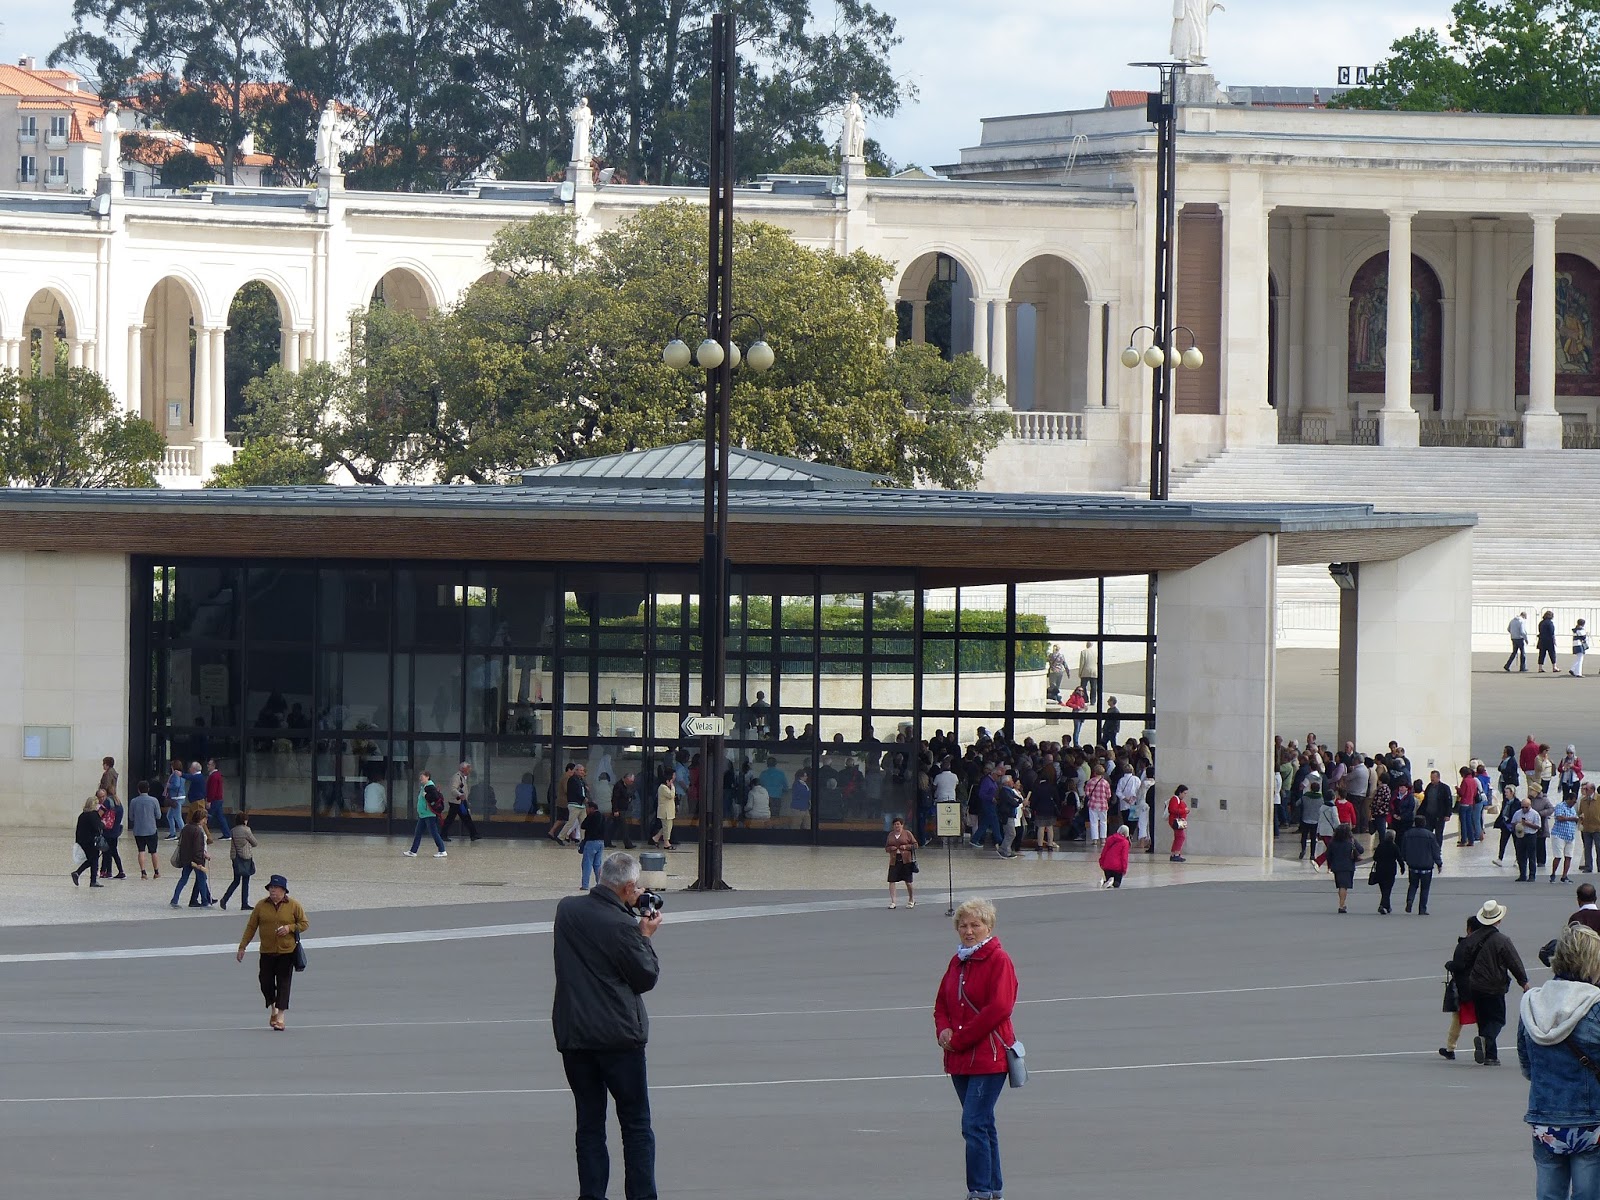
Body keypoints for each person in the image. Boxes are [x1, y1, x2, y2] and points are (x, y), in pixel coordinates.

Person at [552, 851, 662, 1200]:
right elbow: (645, 976)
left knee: (589, 1124)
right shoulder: (623, 927)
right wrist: (644, 936)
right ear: (629, 887)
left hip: (576, 1036)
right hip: (618, 1038)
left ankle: (592, 1195)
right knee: (635, 1124)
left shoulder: (566, 911)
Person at [934, 897, 1017, 1200]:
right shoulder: (958, 961)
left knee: (973, 1124)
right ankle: (993, 1188)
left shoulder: (999, 960)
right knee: (982, 1124)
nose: (969, 931)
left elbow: (999, 1008)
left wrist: (960, 1038)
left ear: (988, 927)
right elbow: (942, 1001)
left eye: (975, 925)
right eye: (963, 925)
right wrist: (942, 1029)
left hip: (988, 1057)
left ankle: (979, 1190)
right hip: (959, 1058)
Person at [1519, 922, 1600, 1197]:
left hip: (1546, 1116)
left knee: (1549, 1193)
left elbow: (1527, 1065)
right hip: (1591, 1119)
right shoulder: (1595, 1004)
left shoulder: (1532, 1002)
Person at [1457, 899, 1528, 1065]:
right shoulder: (1502, 940)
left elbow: (1464, 960)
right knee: (1497, 1020)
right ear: (1499, 919)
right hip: (1494, 985)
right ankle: (1486, 1041)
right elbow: (1514, 962)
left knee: (1483, 1020)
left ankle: (1491, 1055)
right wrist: (1523, 982)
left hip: (1474, 984)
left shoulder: (1472, 938)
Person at [235, 873, 308, 1031]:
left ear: (283, 890)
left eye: (276, 888)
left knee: (283, 983)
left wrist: (290, 928)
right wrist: (242, 946)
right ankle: (273, 1007)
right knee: (265, 981)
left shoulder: (294, 905)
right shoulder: (261, 905)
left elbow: (304, 923)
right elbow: (251, 927)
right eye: (271, 888)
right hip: (267, 951)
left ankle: (280, 1016)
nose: (272, 891)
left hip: (287, 951)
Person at [1440, 915, 1482, 1060]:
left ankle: (1450, 1048)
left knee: (1457, 1019)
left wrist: (1449, 964)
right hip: (1484, 985)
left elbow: (1459, 966)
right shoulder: (1486, 943)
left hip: (1465, 987)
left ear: (1469, 928)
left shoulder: (1464, 945)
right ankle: (1486, 1044)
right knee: (1482, 1018)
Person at [169, 809, 212, 908]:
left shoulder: (186, 828)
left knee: (183, 879)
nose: (206, 821)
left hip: (186, 858)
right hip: (196, 861)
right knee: (201, 880)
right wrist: (200, 861)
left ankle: (175, 899)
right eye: (205, 819)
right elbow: (198, 848)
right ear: (201, 819)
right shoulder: (198, 831)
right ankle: (205, 902)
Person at [1400, 817, 1443, 914]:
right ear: (1424, 823)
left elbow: (1403, 849)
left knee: (1413, 885)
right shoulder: (1430, 835)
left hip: (1413, 864)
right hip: (1426, 865)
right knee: (1425, 888)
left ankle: (1410, 900)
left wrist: (1405, 859)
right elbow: (1435, 851)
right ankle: (1422, 909)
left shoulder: (1408, 834)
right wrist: (1439, 863)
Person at [404, 772, 448, 858]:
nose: (420, 778)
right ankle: (413, 851)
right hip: (423, 814)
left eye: (422, 777)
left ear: (427, 777)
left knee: (434, 832)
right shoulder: (425, 787)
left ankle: (442, 850)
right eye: (420, 777)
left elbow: (434, 797)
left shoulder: (429, 786)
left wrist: (426, 795)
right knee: (418, 833)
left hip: (429, 814)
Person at [220, 812, 258, 910]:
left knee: (236, 880)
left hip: (235, 857)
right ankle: (244, 903)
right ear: (245, 820)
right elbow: (255, 843)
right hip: (245, 857)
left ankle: (225, 899)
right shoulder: (247, 830)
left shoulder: (233, 830)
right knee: (246, 881)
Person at [127, 780, 161, 880]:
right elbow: (158, 816)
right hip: (151, 829)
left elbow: (131, 817)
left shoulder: (133, 801)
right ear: (148, 789)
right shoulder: (154, 800)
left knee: (141, 850)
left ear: (138, 790)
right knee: (153, 851)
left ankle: (143, 872)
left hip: (138, 830)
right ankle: (156, 871)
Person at [1324, 823, 1362, 913]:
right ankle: (1341, 905)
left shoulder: (1333, 842)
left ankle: (1342, 903)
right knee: (1343, 886)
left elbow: (1328, 855)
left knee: (1341, 886)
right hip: (1348, 866)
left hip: (1336, 867)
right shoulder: (1351, 841)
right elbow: (1361, 850)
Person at [442, 760, 480, 843]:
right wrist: (460, 795)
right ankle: (443, 834)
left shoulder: (462, 777)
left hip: (461, 802)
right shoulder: (457, 777)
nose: (469, 771)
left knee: (466, 818)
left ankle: (474, 834)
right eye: (468, 769)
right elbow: (453, 789)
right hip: (456, 802)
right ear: (463, 769)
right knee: (451, 818)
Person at [71, 798, 104, 888]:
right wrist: (103, 823)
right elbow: (98, 826)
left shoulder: (82, 815)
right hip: (91, 841)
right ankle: (93, 881)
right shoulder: (93, 815)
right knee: (94, 859)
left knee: (91, 859)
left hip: (82, 841)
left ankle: (77, 873)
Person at [886, 816, 918, 908]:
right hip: (894, 860)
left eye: (898, 824)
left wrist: (906, 847)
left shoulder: (907, 833)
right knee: (892, 881)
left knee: (908, 882)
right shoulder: (890, 835)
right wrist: (890, 849)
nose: (897, 826)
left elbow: (915, 845)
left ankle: (911, 899)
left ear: (902, 825)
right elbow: (886, 847)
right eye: (895, 824)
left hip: (906, 861)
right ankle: (893, 902)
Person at [1514, 794, 1545, 882]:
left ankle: (1532, 875)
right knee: (1520, 856)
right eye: (1523, 807)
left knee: (1532, 856)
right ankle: (1522, 874)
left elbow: (1538, 826)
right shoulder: (1518, 813)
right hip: (1520, 835)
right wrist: (1517, 825)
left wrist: (1527, 824)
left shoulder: (1535, 814)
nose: (1524, 809)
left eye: (1526, 807)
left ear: (1530, 806)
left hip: (1531, 835)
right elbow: (1513, 822)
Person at [1371, 828, 1401, 914]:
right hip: (1390, 870)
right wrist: (1402, 868)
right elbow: (1399, 858)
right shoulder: (1394, 846)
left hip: (1380, 869)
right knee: (1388, 889)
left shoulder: (1380, 845)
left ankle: (1387, 906)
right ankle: (1382, 905)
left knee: (1384, 889)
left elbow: (1375, 857)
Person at [97, 789, 125, 880]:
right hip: (115, 831)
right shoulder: (119, 803)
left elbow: (98, 815)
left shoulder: (107, 803)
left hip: (108, 831)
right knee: (111, 851)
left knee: (108, 851)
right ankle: (109, 872)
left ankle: (113, 872)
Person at [1554, 791, 1580, 884]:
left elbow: (1575, 819)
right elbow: (1559, 818)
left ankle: (1564, 876)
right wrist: (1572, 819)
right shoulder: (1560, 806)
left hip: (1570, 835)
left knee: (1568, 856)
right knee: (1558, 856)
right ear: (1568, 799)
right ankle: (1553, 873)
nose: (1574, 803)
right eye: (1573, 801)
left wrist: (1578, 819)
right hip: (1559, 834)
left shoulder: (1572, 809)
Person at [204, 758, 230, 840]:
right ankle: (227, 834)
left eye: (209, 764)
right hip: (218, 799)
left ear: (214, 765)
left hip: (215, 800)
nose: (207, 766)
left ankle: (204, 832)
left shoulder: (214, 776)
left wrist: (209, 800)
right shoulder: (217, 775)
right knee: (220, 817)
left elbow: (212, 790)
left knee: (208, 816)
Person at [1100, 823, 1131, 888]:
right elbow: (1124, 857)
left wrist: (1101, 862)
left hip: (1107, 865)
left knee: (1109, 880)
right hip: (1117, 868)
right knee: (1117, 884)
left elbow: (1104, 851)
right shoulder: (1125, 842)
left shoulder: (1110, 839)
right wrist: (1124, 869)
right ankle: (1110, 882)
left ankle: (1104, 882)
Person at [651, 768, 675, 851]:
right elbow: (671, 795)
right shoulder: (663, 787)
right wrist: (672, 786)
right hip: (665, 812)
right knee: (667, 827)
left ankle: (656, 838)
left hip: (669, 811)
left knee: (666, 827)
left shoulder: (666, 787)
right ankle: (666, 843)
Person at [1167, 784, 1190, 863]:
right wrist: (1184, 811)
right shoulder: (1174, 799)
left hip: (1178, 821)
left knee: (1178, 837)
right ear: (1180, 792)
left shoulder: (1178, 800)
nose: (1185, 795)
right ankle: (1176, 853)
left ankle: (1174, 853)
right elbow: (1173, 809)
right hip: (1175, 821)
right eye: (1184, 793)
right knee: (1181, 837)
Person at [1580, 783, 1600, 874]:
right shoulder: (1583, 800)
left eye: (1586, 789)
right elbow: (1580, 811)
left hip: (1597, 828)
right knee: (1587, 848)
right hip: (1586, 828)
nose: (1584, 791)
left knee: (1599, 848)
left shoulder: (1598, 798)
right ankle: (1588, 866)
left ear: (1592, 789)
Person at [163, 758, 186, 839]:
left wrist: (169, 786)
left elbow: (176, 785)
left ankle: (183, 834)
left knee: (177, 817)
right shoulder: (181, 774)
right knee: (170, 816)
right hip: (179, 797)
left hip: (176, 798)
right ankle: (172, 833)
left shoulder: (175, 774)